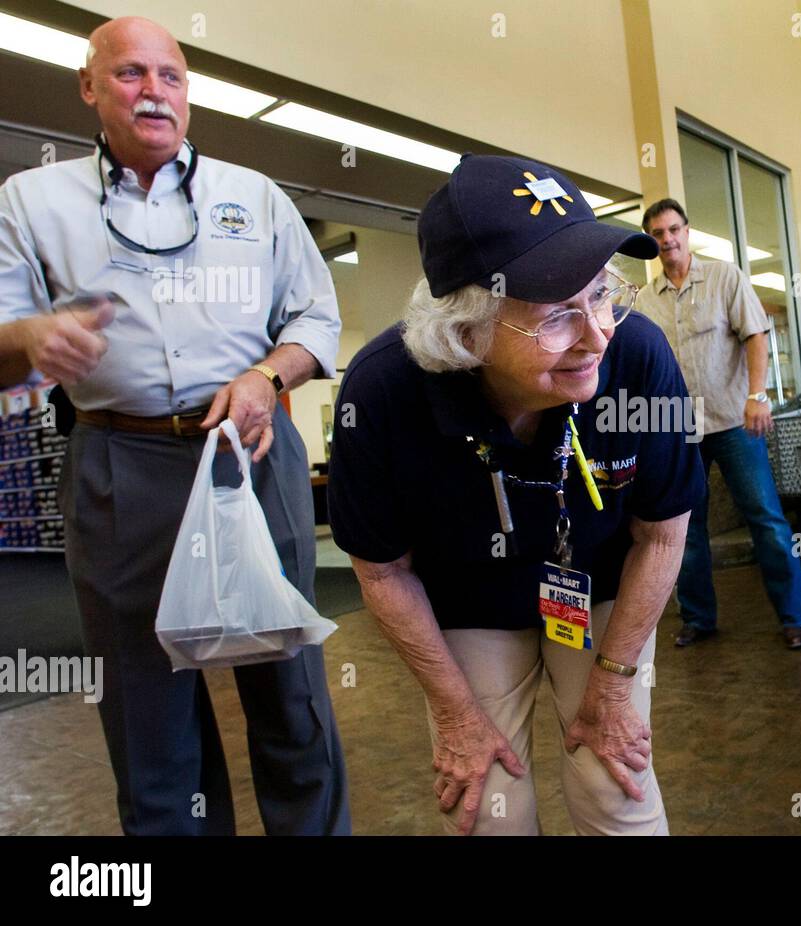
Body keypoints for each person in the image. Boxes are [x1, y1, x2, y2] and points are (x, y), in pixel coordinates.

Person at [0, 17, 349, 835]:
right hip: (120, 464)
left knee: (291, 701)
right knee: (149, 723)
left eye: (171, 75)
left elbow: (316, 318)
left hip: (250, 453)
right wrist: (27, 340)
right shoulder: (30, 200)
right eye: (130, 74)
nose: (154, 91)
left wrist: (269, 375)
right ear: (90, 88)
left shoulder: (253, 195)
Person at [328, 154, 704, 836]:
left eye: (602, 294)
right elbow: (381, 572)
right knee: (487, 807)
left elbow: (664, 534)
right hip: (470, 602)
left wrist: (615, 685)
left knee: (614, 782)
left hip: (598, 587)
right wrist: (454, 713)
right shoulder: (381, 393)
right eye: (559, 316)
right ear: (465, 333)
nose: (597, 337)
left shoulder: (640, 357)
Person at [637, 198, 801, 650]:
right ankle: (698, 618)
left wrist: (758, 396)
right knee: (685, 530)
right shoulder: (643, 301)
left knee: (767, 519)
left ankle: (795, 617)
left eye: (674, 229)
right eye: (658, 234)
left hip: (734, 421)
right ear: (651, 241)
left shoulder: (724, 278)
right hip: (678, 430)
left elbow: (756, 335)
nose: (668, 239)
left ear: (687, 231)